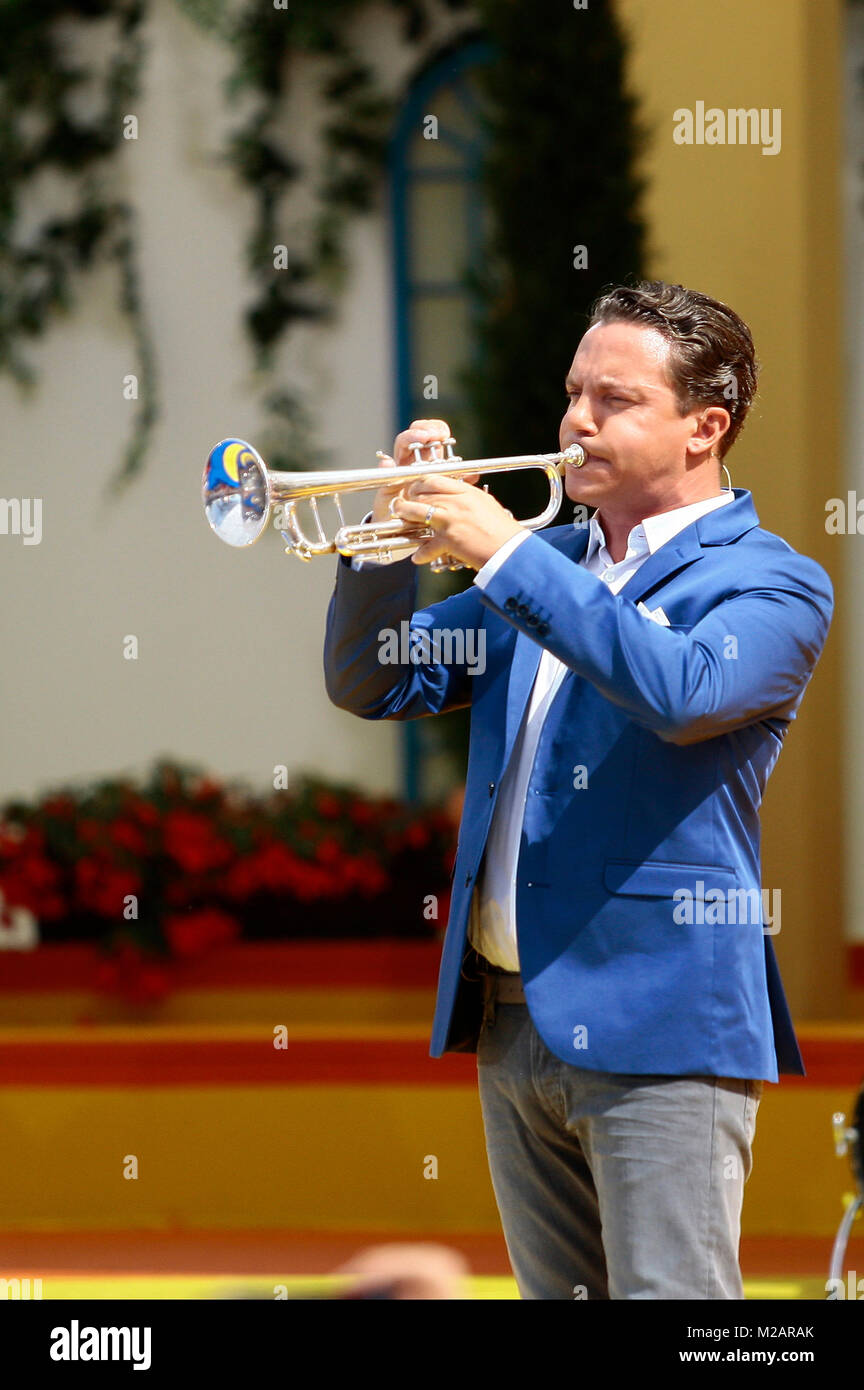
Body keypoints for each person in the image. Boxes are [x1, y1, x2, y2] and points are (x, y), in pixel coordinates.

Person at [322, 280, 834, 1300]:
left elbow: (680, 690)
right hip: (514, 1024)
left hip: (662, 1022)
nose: (575, 421)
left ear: (706, 426)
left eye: (615, 399)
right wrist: (378, 542)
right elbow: (376, 677)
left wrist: (502, 549)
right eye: (572, 393)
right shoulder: (545, 564)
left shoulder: (771, 581)